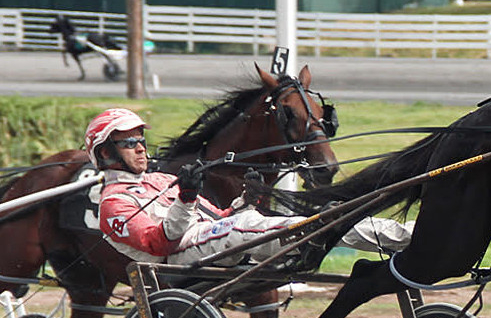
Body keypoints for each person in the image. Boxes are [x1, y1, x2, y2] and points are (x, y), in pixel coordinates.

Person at [86, 108, 411, 269]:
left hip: (212, 241)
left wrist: (246, 199)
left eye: (141, 140)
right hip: (180, 258)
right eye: (129, 143)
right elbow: (159, 244)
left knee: (323, 220)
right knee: (271, 224)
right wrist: (185, 198)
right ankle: (308, 239)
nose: (141, 148)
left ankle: (408, 236)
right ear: (105, 153)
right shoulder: (113, 205)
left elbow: (219, 217)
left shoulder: (157, 180)